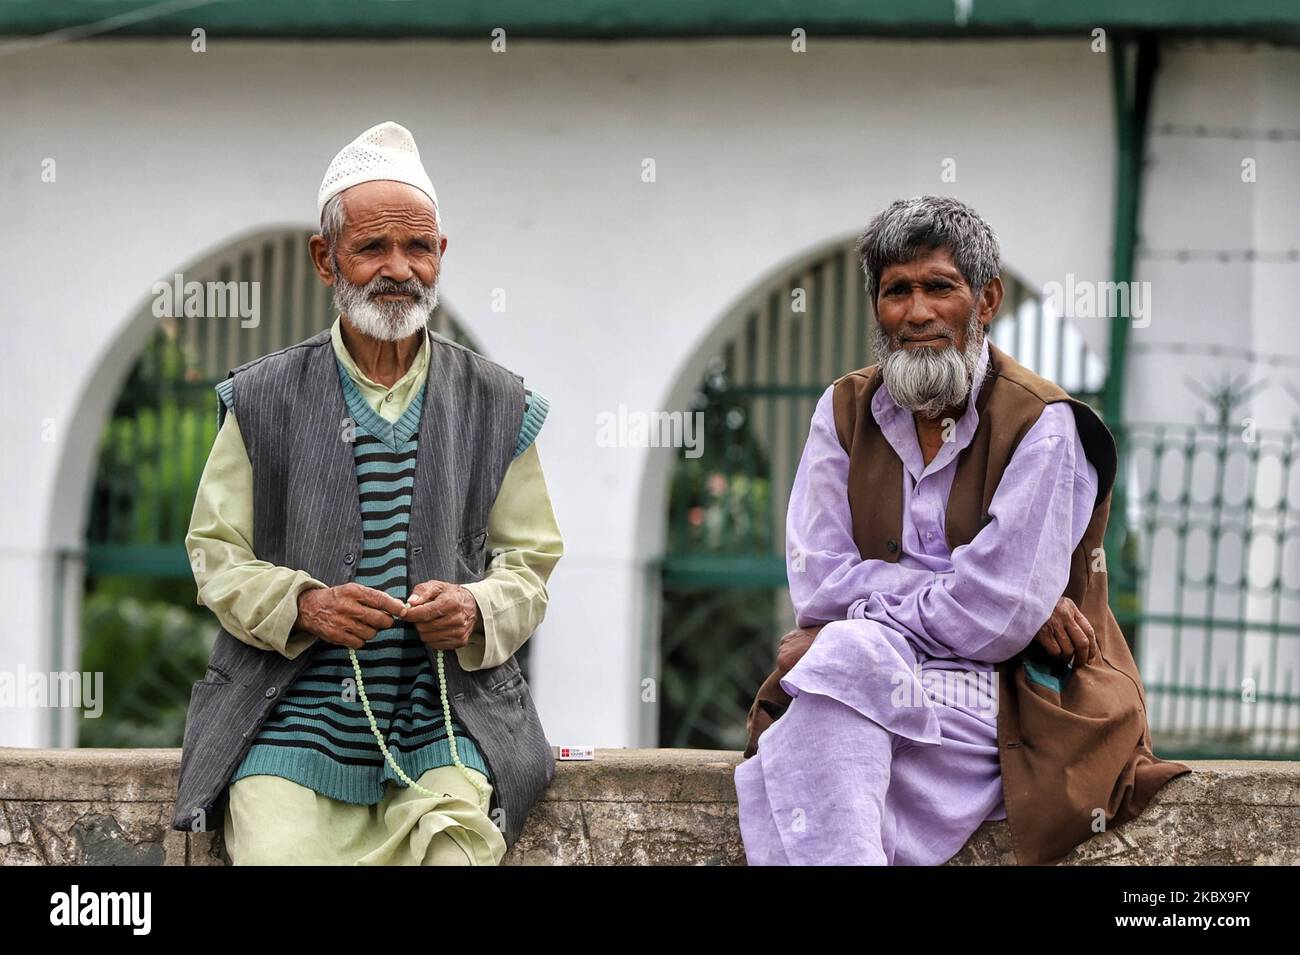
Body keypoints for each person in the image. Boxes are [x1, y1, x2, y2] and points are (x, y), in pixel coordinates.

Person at [735, 195, 1189, 866]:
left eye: (939, 287)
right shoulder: (842, 413)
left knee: (822, 708)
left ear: (986, 300)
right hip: (872, 685)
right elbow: (818, 588)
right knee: (851, 674)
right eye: (896, 291)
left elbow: (996, 619)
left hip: (1011, 698)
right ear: (877, 309)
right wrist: (964, 592)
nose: (916, 313)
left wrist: (876, 618)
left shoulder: (1043, 424)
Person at [173, 121, 563, 865]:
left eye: (417, 248)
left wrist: (477, 606)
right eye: (373, 248)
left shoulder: (499, 402)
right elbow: (216, 555)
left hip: (448, 725)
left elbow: (531, 563)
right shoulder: (262, 398)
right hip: (285, 725)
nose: (398, 268)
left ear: (440, 255)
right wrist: (303, 603)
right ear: (326, 258)